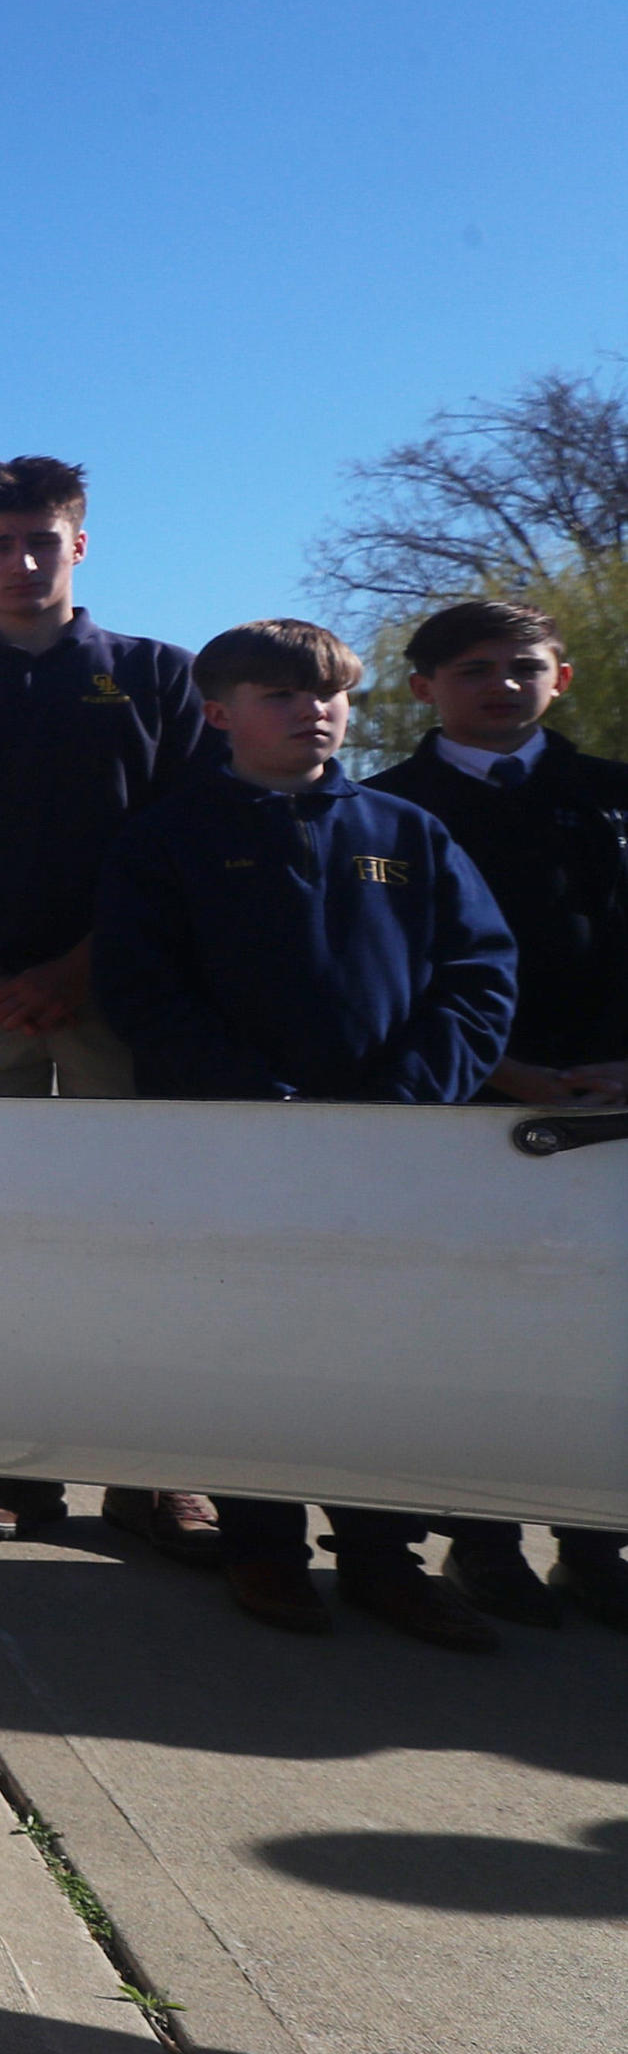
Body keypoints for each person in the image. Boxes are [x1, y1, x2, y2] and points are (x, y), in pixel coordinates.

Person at [92, 618, 516, 1648]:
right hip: (232, 1147)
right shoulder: (165, 838)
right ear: (217, 714)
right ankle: (262, 1549)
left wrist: (408, 1102)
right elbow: (140, 991)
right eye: (278, 696)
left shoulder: (404, 832)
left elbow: (476, 973)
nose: (308, 712)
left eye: (326, 694)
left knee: (377, 1359)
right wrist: (255, 1103)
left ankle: (380, 1558)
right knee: (246, 1349)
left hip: (388, 1148)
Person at [0, 456, 229, 1555]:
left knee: (143, 1234)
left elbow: (182, 851)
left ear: (78, 545)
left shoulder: (159, 676)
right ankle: (16, 1466)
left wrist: (71, 972)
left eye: (40, 540)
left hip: (128, 995)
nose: (20, 562)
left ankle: (157, 1467)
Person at [355, 596, 628, 1630]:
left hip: (609, 1103)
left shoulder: (609, 797)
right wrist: (499, 1069)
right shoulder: (379, 813)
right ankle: (481, 1542)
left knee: (596, 1336)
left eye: (521, 666)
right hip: (464, 1108)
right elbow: (381, 977)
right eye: (471, 669)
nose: (499, 684)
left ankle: (594, 1543)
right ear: (423, 687)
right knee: (471, 1337)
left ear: (559, 678)